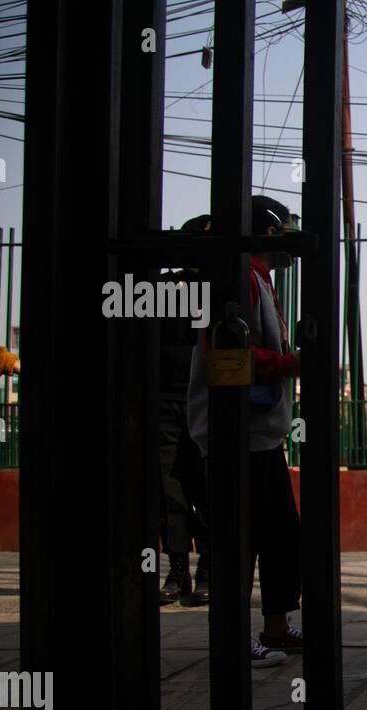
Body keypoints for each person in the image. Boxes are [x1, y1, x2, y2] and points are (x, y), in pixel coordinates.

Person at [187, 195, 304, 668]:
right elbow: (228, 350)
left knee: (279, 534)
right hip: (233, 433)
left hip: (259, 433)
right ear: (268, 232)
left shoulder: (259, 279)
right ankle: (233, 638)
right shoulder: (241, 277)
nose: (292, 244)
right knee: (243, 536)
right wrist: (291, 363)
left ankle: (275, 627)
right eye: (285, 232)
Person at [158, 214, 211, 606]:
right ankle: (179, 568)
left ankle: (207, 566)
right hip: (165, 399)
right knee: (170, 491)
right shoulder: (163, 287)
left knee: (206, 489)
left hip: (204, 399)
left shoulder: (224, 284)